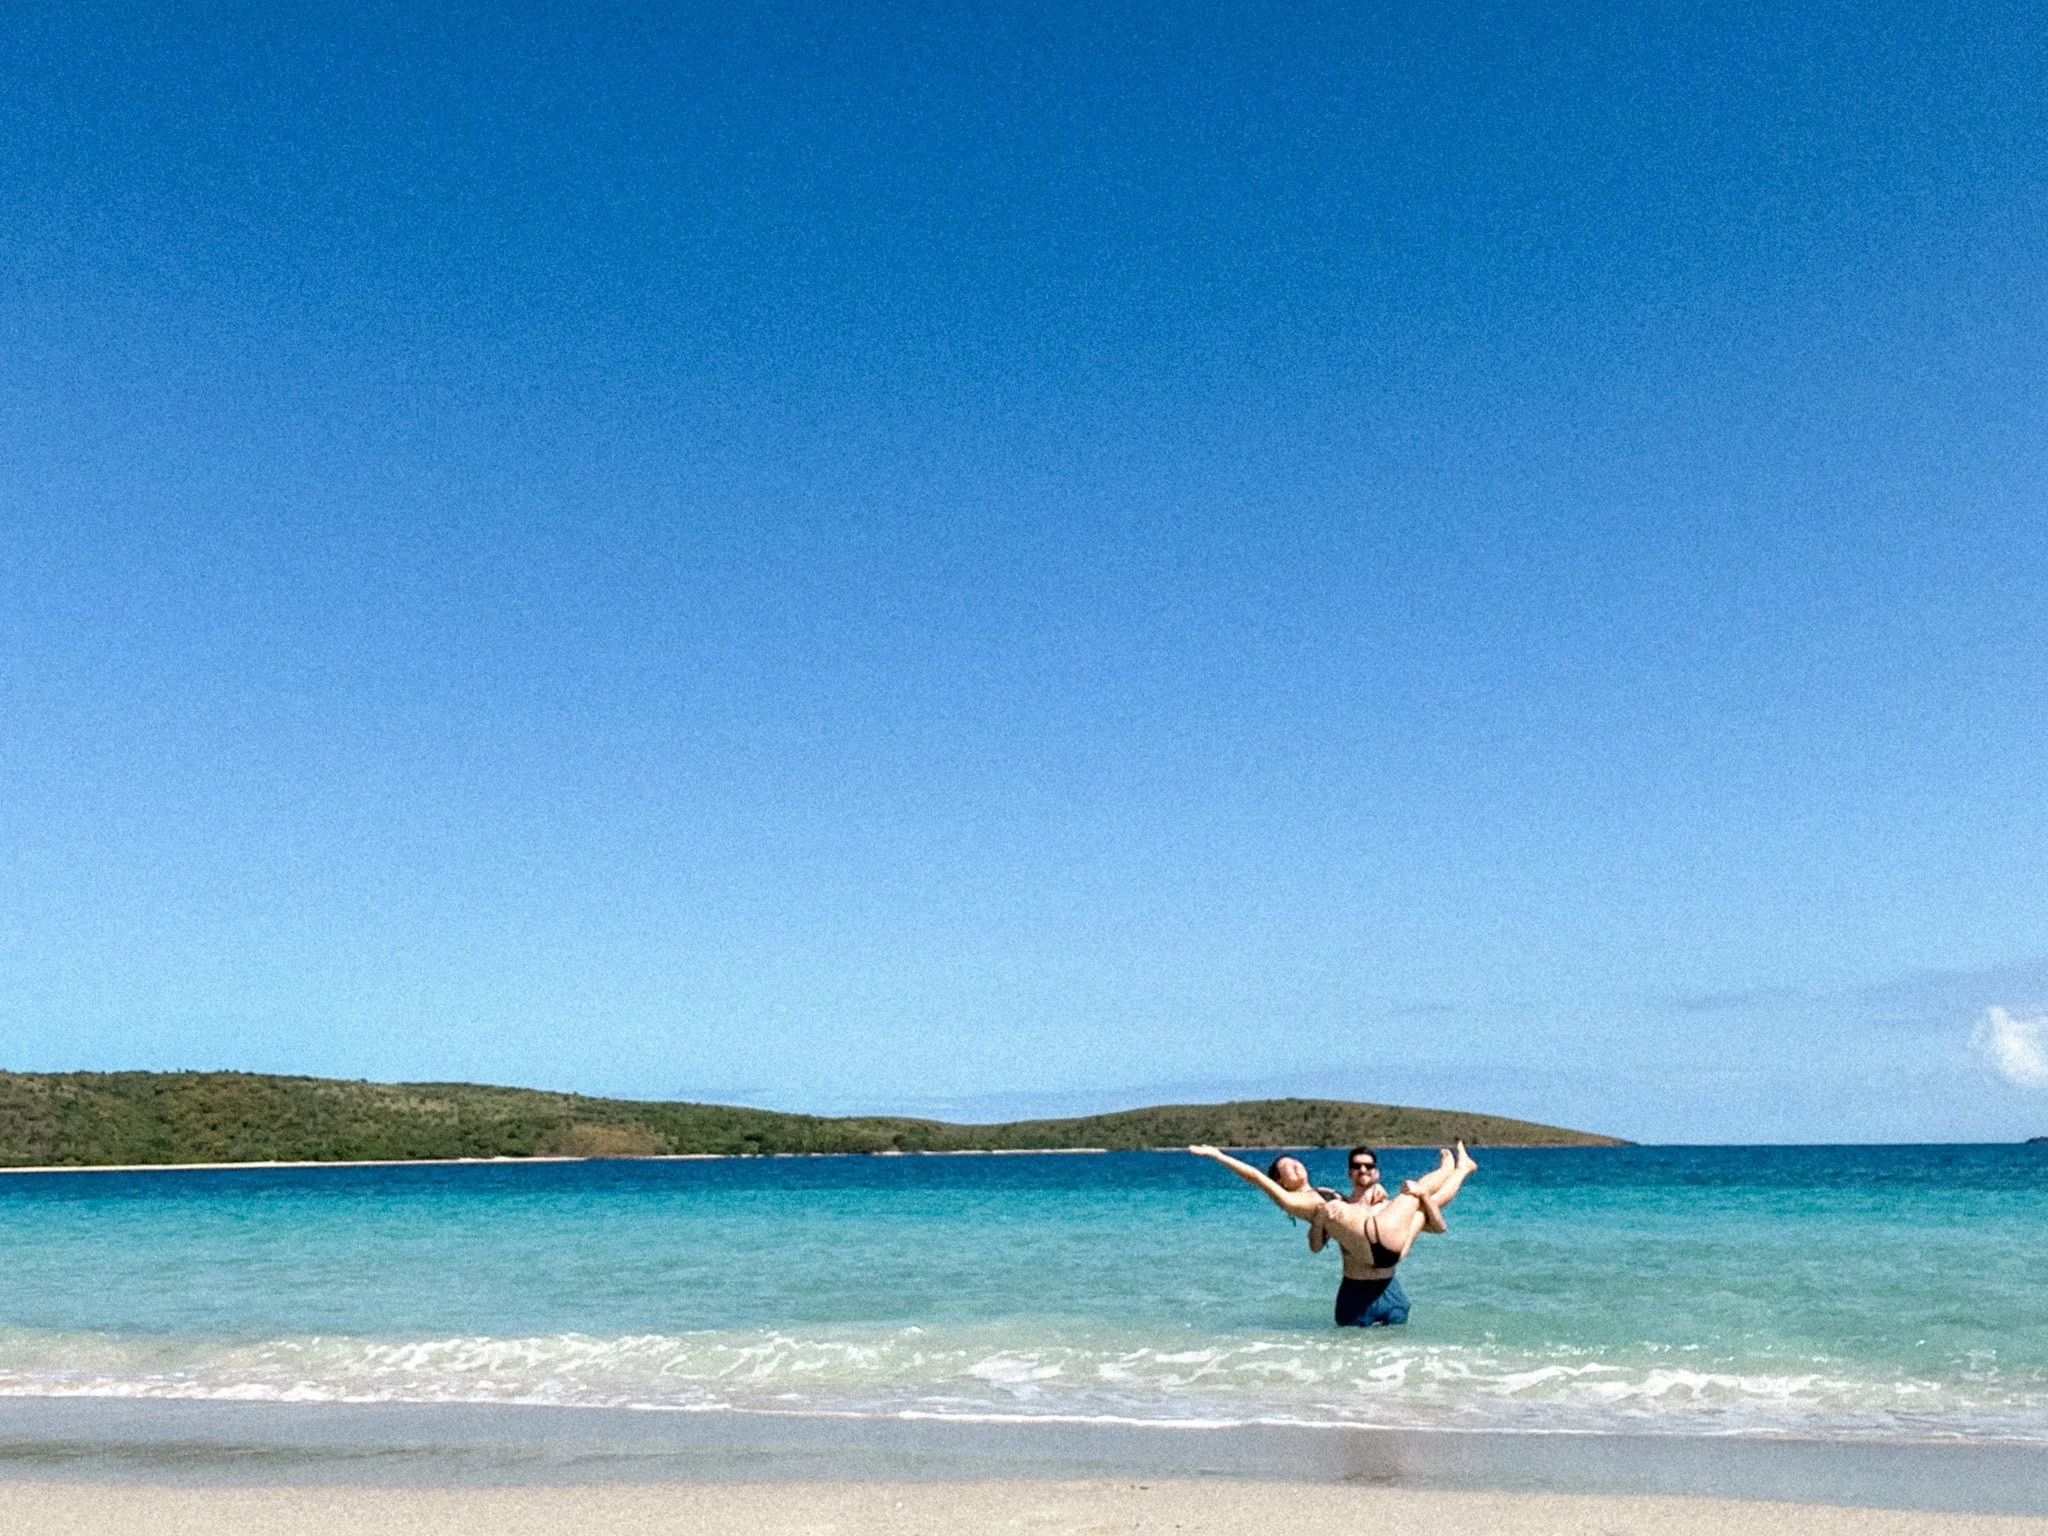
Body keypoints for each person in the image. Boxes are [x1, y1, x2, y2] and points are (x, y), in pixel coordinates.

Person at [1188, 1141, 1478, 1327]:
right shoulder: (1298, 1202)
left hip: (1387, 1271)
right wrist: (1217, 1155)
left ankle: (1461, 1169)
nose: (1295, 1165)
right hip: (1366, 1269)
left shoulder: (1329, 1194)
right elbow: (1256, 1177)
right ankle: (1452, 1168)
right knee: (1417, 1193)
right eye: (1286, 1166)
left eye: (1295, 1160)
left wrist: (1373, 1199)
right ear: (1280, 1180)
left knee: (1429, 1201)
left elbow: (1358, 1210)